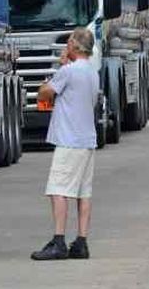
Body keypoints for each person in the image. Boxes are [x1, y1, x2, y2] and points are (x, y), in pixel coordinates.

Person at [31, 27, 100, 261]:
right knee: (83, 192)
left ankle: (59, 240)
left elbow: (43, 94)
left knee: (58, 190)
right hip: (87, 139)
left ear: (76, 46)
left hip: (69, 140)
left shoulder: (68, 72)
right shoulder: (92, 72)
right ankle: (81, 241)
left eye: (69, 41)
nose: (66, 45)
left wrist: (59, 68)